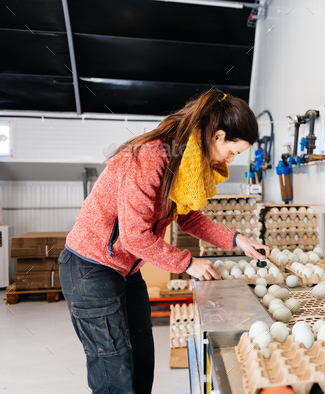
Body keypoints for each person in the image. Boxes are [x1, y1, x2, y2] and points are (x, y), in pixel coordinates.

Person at [58, 90, 269, 394]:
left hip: (126, 271)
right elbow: (133, 235)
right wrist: (188, 263)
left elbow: (189, 218)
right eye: (234, 151)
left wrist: (238, 239)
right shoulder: (150, 156)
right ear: (219, 136)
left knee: (142, 362)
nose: (231, 159)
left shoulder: (187, 163)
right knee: (114, 372)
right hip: (90, 267)